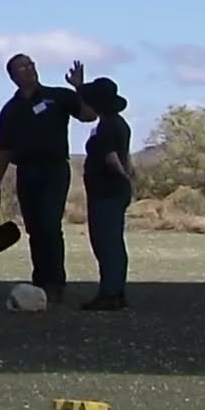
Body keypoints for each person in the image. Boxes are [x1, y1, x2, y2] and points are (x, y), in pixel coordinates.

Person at [0, 55, 96, 303]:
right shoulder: (11, 109)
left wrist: (80, 87)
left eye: (31, 65)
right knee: (34, 228)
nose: (29, 70)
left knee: (49, 224)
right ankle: (41, 280)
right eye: (22, 67)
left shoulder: (58, 97)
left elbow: (89, 115)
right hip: (26, 172)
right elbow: (3, 148)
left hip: (54, 170)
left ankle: (55, 282)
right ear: (13, 76)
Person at [79, 75, 133, 311]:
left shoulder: (108, 126)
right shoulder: (117, 123)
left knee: (106, 241)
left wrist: (122, 175)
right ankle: (114, 290)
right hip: (111, 191)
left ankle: (110, 292)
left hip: (107, 191)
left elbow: (111, 156)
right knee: (112, 241)